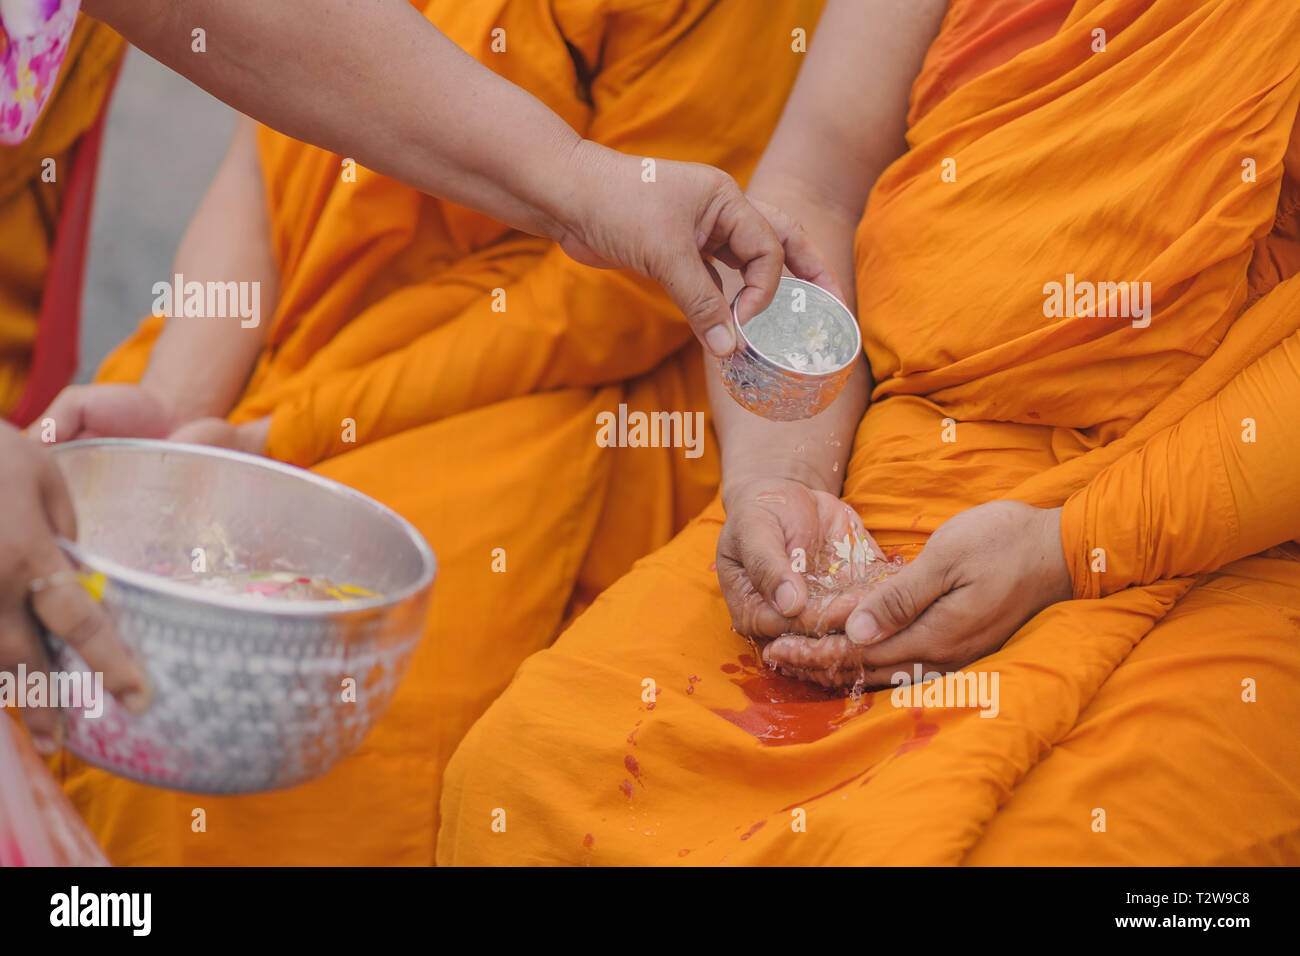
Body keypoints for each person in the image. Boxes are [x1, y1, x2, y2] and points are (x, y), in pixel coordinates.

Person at [437, 0, 1300, 865]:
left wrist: (1067, 547)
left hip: (1209, 516)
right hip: (885, 464)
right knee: (523, 775)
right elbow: (814, 190)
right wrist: (783, 480)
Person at [35, 0, 827, 864]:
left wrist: (285, 431)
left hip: (538, 380)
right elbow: (271, 109)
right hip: (282, 328)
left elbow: (627, 294)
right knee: (79, 574)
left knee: (300, 713)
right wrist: (174, 410)